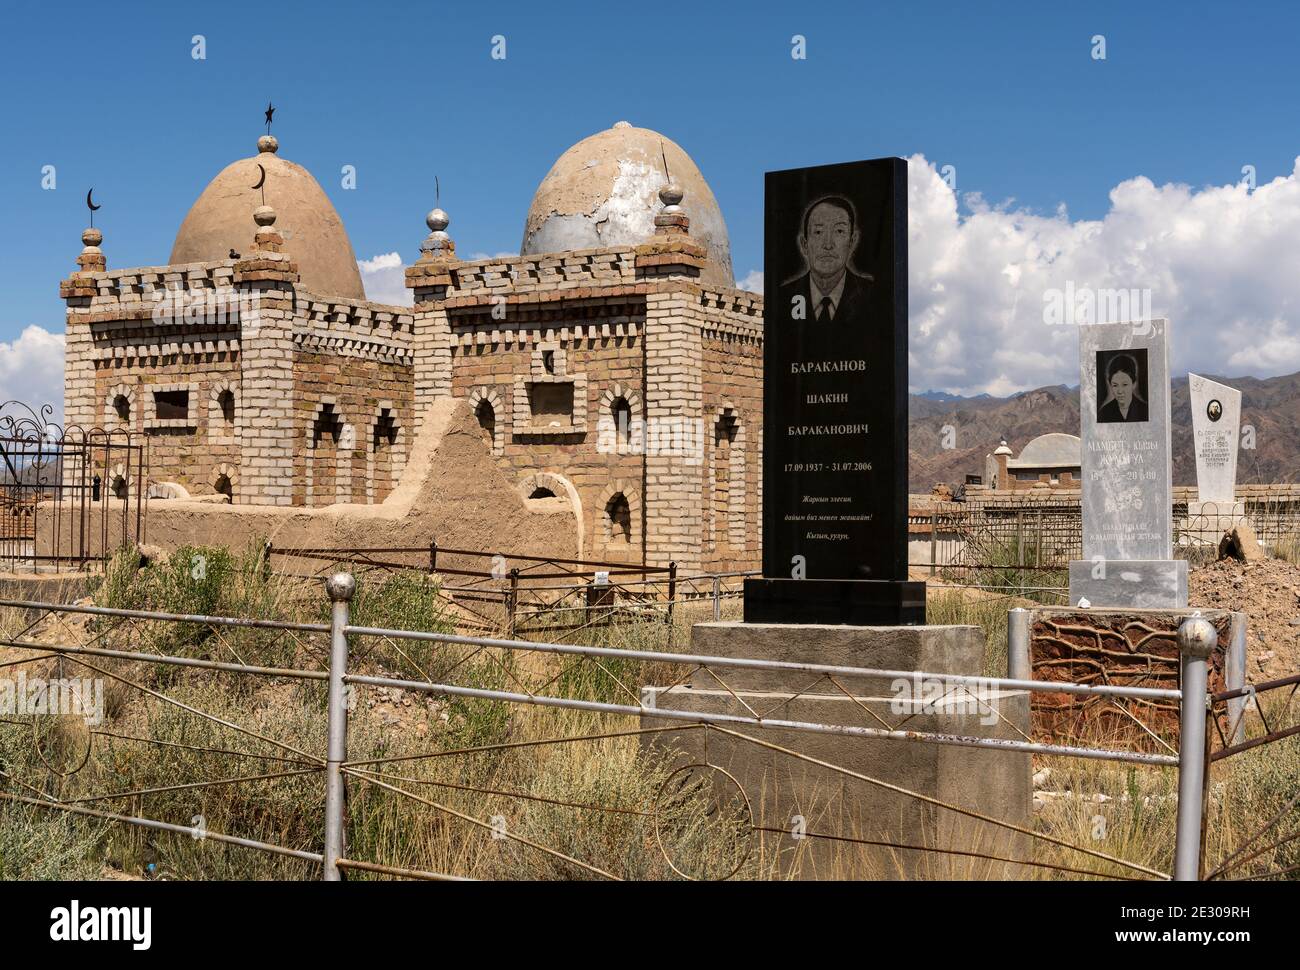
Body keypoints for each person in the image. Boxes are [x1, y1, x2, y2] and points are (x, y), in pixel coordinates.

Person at [777, 195, 873, 323]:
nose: (828, 245)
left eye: (839, 231)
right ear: (804, 244)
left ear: (851, 241)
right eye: (818, 232)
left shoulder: (873, 295)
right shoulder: (781, 298)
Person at [1097, 353, 1148, 422]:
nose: (1120, 391)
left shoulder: (1145, 409)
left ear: (1134, 384)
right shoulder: (1104, 412)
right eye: (1115, 385)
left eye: (1125, 384)